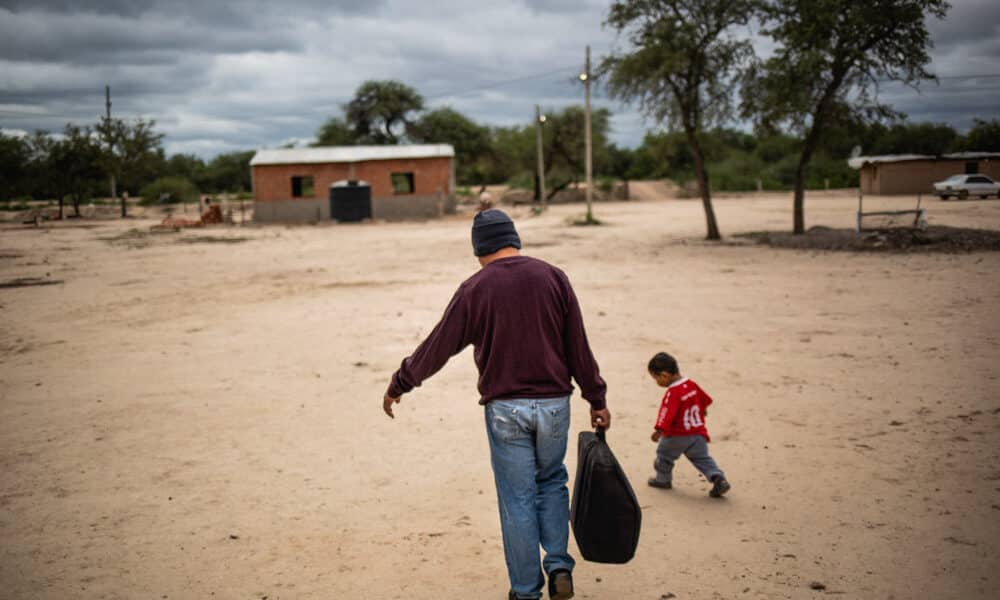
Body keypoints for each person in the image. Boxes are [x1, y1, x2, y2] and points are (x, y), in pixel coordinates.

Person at [382, 208, 610, 600]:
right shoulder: (553, 277)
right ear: (514, 239)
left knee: (517, 497)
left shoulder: (475, 289)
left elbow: (440, 345)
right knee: (552, 481)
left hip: (505, 408)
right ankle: (558, 565)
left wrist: (402, 381)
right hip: (555, 404)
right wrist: (596, 396)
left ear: (478, 249)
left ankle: (525, 591)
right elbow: (578, 346)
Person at [646, 351, 731, 498]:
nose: (657, 382)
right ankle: (718, 478)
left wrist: (659, 430)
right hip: (698, 434)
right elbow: (703, 400)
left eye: (656, 378)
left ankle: (663, 480)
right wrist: (702, 410)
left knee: (664, 456)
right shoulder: (691, 384)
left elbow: (667, 413)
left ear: (664, 375)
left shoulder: (673, 393)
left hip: (676, 435)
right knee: (702, 458)